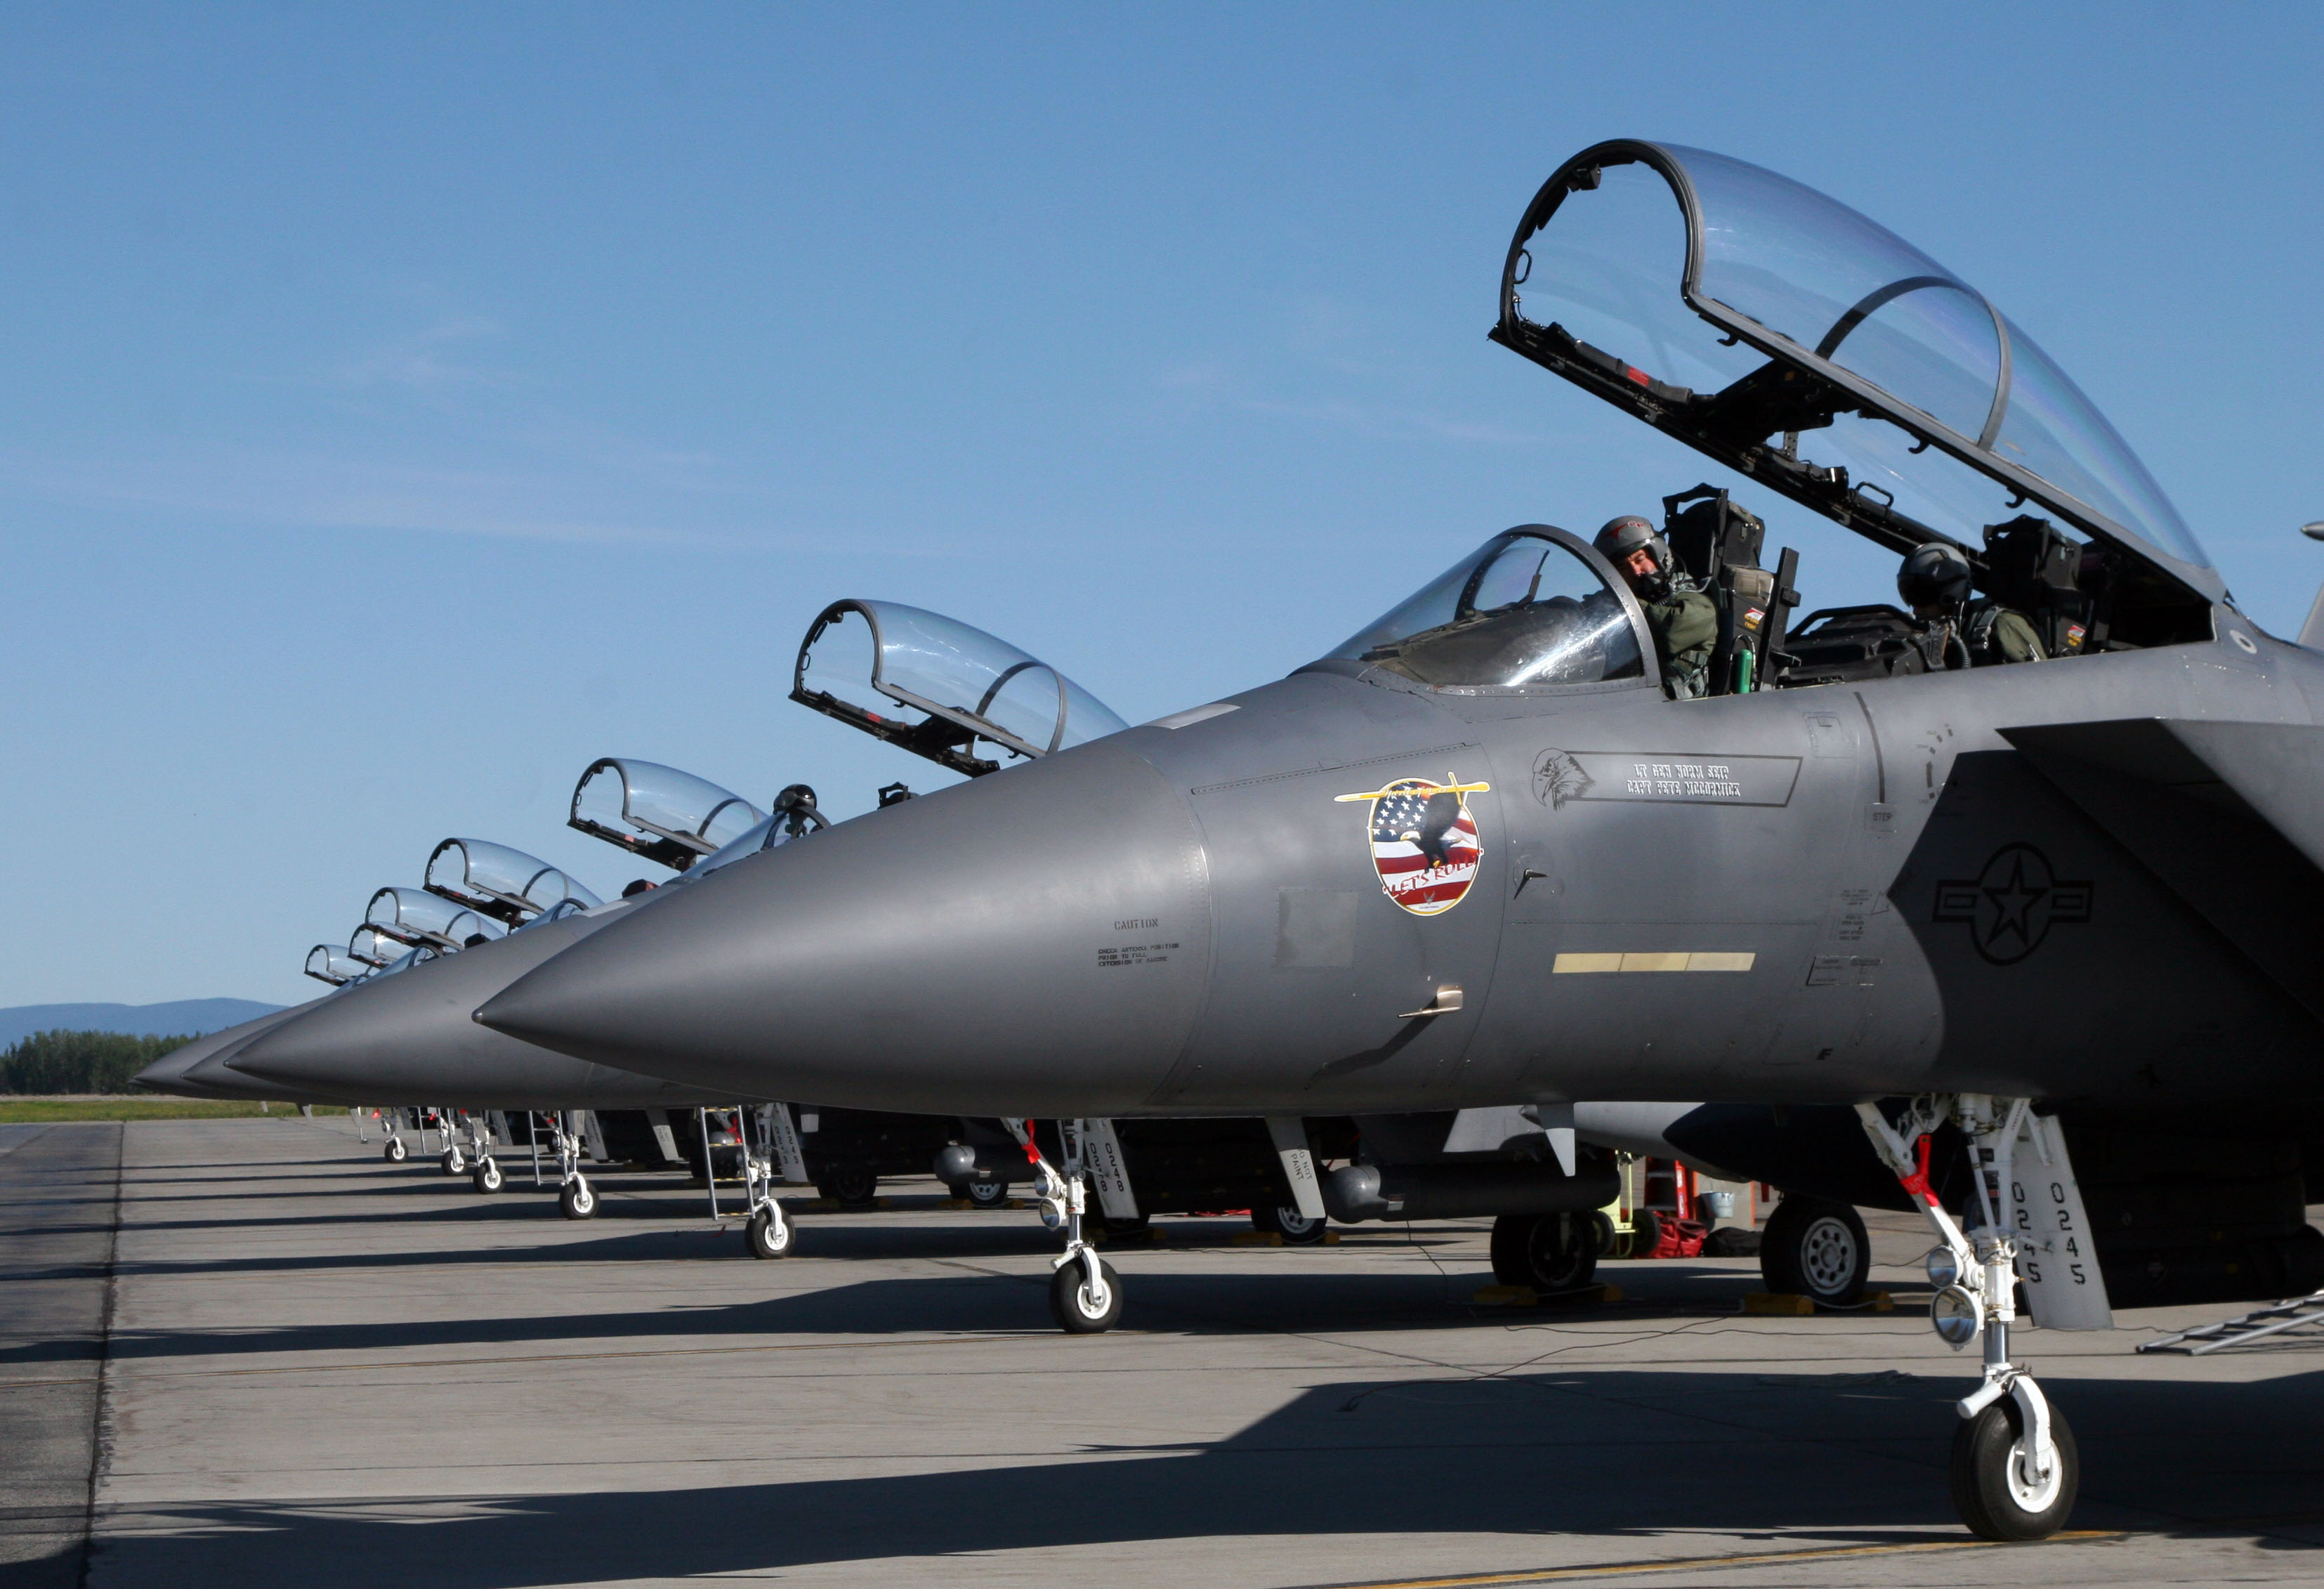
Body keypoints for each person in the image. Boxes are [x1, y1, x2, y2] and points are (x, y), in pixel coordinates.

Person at [1593, 515, 1718, 698]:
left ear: (1658, 554)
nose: (1636, 571)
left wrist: (1621, 605)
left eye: (1640, 559)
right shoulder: (1605, 605)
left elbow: (1670, 630)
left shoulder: (1695, 603)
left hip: (1676, 710)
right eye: (1623, 568)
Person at [1896, 542, 2044, 667]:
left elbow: (2041, 682)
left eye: (1921, 597)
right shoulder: (1925, 641)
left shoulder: (2003, 626)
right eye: (1909, 597)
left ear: (1950, 593)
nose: (1915, 610)